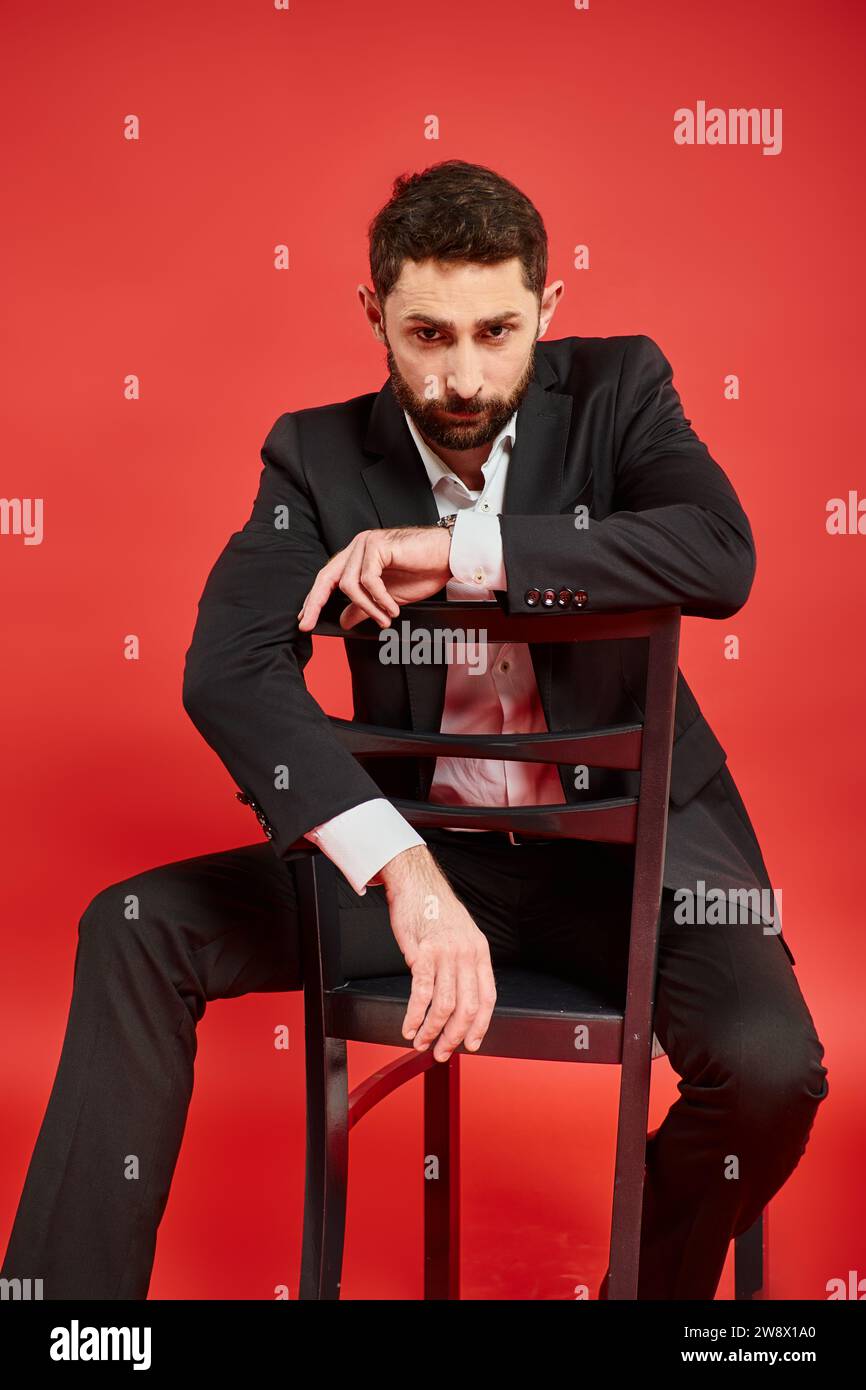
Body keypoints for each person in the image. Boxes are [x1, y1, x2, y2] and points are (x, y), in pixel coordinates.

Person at [1, 159, 828, 1300]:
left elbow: (714, 552)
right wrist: (401, 867)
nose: (460, 374)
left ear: (546, 309)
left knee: (771, 1069)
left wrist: (460, 553)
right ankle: (62, 1326)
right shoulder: (315, 454)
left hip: (633, 870)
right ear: (371, 315)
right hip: (429, 867)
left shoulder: (620, 394)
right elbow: (226, 668)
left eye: (495, 331)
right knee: (133, 925)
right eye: (425, 334)